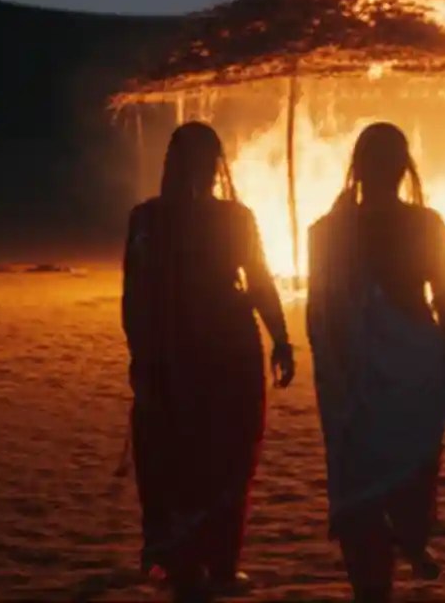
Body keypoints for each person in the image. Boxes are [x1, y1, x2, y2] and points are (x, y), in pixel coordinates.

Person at [121, 122, 295, 602]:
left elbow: (134, 298)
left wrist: (143, 358)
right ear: (215, 164)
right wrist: (280, 338)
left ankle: (184, 566)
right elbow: (258, 281)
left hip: (173, 355)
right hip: (226, 353)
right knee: (226, 456)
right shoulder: (233, 218)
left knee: (177, 458)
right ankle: (217, 565)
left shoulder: (145, 220)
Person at [307, 122, 445, 603]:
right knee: (413, 468)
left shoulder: (327, 232)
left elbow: (316, 315)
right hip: (415, 367)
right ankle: (407, 543)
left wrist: (333, 371)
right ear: (405, 168)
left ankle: (372, 584)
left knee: (361, 478)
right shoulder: (427, 225)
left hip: (356, 374)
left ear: (356, 169)